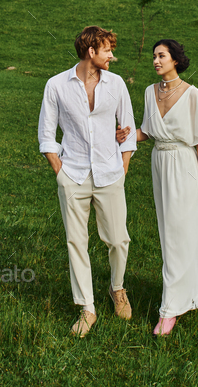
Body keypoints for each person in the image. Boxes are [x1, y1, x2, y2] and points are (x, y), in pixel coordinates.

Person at [38, 25, 137, 337]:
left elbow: (128, 130)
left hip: (110, 175)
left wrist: (122, 167)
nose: (112, 56)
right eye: (107, 50)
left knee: (119, 240)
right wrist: (60, 172)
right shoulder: (56, 85)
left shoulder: (117, 84)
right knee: (76, 242)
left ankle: (117, 289)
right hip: (74, 175)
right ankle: (87, 308)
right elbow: (46, 135)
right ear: (90, 51)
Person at [117, 39, 198, 336]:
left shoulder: (192, 94)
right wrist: (125, 135)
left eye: (161, 56)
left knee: (181, 233)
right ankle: (194, 294)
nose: (156, 61)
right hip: (160, 165)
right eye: (154, 56)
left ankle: (170, 309)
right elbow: (147, 130)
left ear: (175, 60)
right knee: (168, 232)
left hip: (185, 166)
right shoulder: (150, 91)